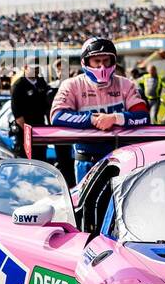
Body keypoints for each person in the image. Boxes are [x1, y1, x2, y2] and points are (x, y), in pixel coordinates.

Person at [49, 37, 149, 184]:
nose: (102, 67)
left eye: (106, 61)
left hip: (122, 158)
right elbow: (57, 116)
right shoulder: (71, 85)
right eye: (97, 61)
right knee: (87, 205)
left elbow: (143, 116)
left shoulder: (126, 84)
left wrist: (115, 118)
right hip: (87, 158)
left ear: (113, 61)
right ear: (85, 62)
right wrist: (92, 119)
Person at [10, 63, 54, 158]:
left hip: (40, 127)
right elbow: (18, 115)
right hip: (25, 130)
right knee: (27, 160)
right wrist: (29, 132)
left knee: (41, 158)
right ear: (25, 67)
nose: (36, 71)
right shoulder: (18, 86)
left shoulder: (41, 82)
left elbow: (47, 106)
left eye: (37, 68)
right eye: (34, 68)